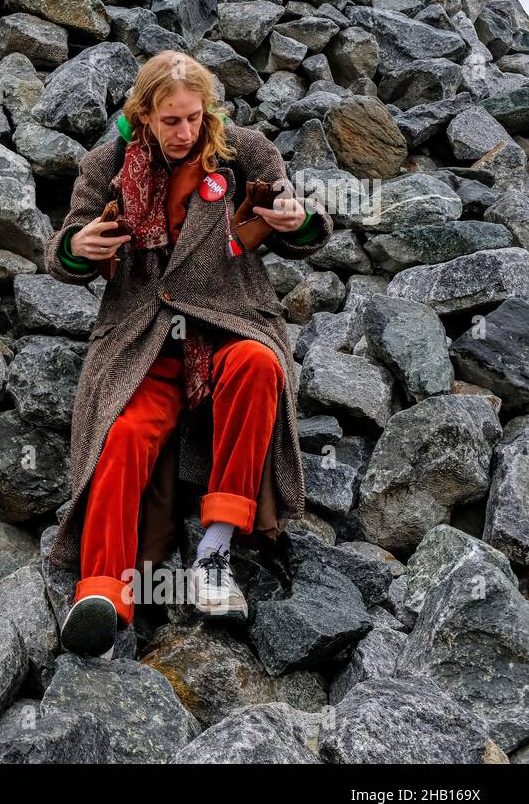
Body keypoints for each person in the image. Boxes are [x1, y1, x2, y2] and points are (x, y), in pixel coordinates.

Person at [44, 50, 332, 659]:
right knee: (121, 434)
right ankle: (100, 593)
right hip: (142, 337)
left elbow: (302, 228)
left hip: (229, 323)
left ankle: (214, 556)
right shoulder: (108, 165)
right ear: (143, 114)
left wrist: (297, 219)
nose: (185, 132)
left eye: (194, 119)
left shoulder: (244, 152)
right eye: (171, 120)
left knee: (260, 365)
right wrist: (80, 245)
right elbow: (64, 252)